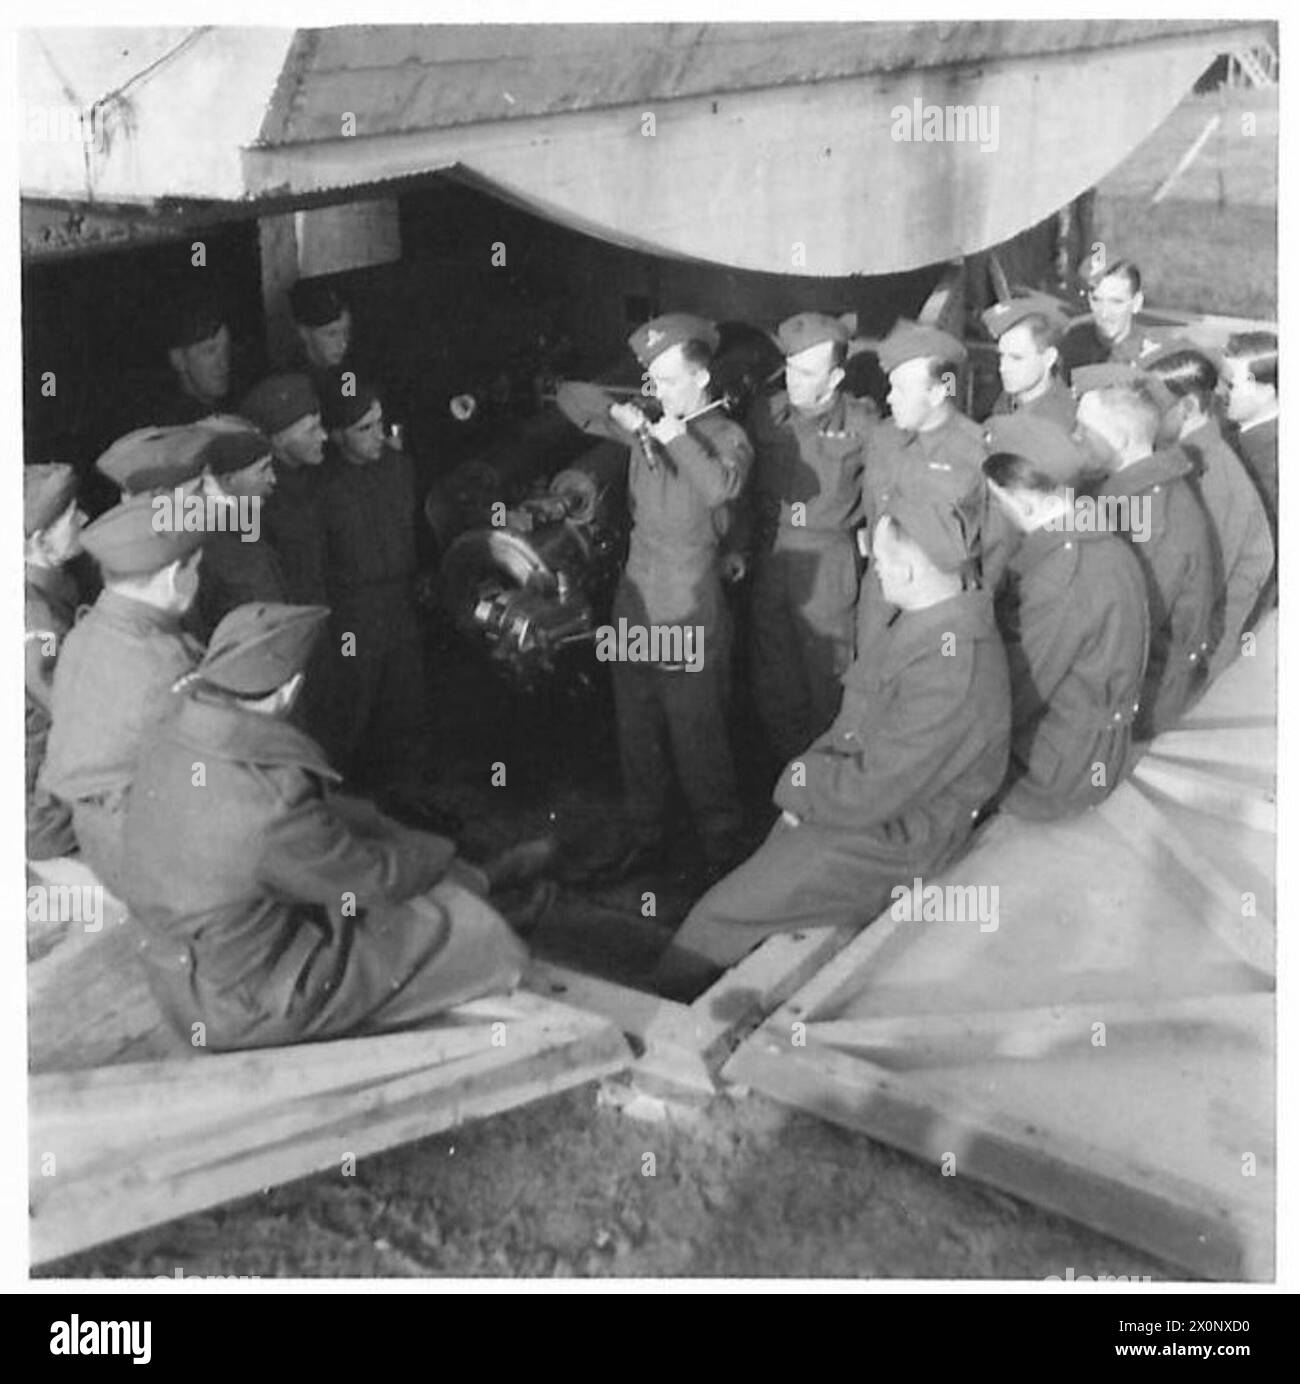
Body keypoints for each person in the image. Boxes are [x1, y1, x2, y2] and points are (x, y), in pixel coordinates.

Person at [121, 602, 534, 1052]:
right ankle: (489, 898)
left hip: (179, 979)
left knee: (362, 884)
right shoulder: (271, 807)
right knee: (459, 928)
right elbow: (375, 880)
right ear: (290, 689)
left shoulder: (171, 733)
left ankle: (484, 884)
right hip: (243, 1008)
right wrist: (439, 851)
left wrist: (371, 823)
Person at [653, 497, 1010, 999]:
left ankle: (661, 1020)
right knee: (756, 881)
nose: (875, 570)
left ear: (908, 571)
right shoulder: (933, 620)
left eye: (880, 560)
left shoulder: (950, 663)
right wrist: (803, 789)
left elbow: (876, 791)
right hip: (867, 807)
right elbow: (854, 728)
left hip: (899, 838)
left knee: (716, 916)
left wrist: (800, 793)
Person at [555, 313, 753, 881]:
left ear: (701, 377)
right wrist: (623, 411)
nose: (656, 391)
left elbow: (720, 487)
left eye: (667, 380)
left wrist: (674, 435)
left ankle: (720, 847)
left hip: (688, 601)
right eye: (651, 379)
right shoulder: (645, 421)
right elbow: (569, 397)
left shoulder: (725, 438)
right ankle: (646, 837)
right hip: (636, 597)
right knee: (637, 726)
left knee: (696, 732)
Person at [982, 413, 1149, 820]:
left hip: (1054, 770)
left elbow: (1017, 693)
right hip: (1085, 747)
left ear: (1024, 500)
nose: (993, 510)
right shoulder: (1096, 538)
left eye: (995, 500)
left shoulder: (1061, 580)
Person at [38, 494, 207, 894]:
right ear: (173, 576)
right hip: (151, 850)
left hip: (97, 834)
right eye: (195, 569)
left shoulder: (86, 630)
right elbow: (204, 778)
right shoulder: (166, 663)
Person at [747, 312, 876, 765]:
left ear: (836, 375)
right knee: (773, 674)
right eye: (790, 367)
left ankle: (828, 776)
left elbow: (879, 498)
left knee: (828, 674)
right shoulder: (765, 414)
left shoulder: (862, 424)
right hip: (772, 555)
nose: (794, 380)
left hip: (829, 561)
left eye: (807, 372)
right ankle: (787, 777)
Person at [1074, 366, 1215, 738]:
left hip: (1140, 704)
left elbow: (1131, 627)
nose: (1075, 438)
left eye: (1084, 430)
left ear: (1119, 438)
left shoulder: (1155, 521)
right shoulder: (1133, 489)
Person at [314, 380, 434, 800]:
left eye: (380, 424)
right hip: (352, 615)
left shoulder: (399, 469)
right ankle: (343, 814)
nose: (378, 436)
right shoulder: (322, 487)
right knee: (352, 712)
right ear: (335, 435)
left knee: (407, 706)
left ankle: (407, 803)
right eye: (364, 429)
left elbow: (417, 530)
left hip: (398, 605)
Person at [856, 319, 992, 647]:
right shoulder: (882, 439)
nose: (889, 398)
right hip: (879, 603)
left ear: (937, 392)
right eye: (890, 387)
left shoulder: (976, 452)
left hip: (939, 616)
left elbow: (994, 551)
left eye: (901, 389)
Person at [1143, 342, 1274, 680]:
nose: (1142, 414)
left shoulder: (1209, 477)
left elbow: (1196, 598)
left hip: (1190, 671)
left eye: (1151, 404)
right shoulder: (1185, 458)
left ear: (1186, 407)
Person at [24, 464, 84, 860]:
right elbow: (64, 705)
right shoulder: (37, 622)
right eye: (72, 516)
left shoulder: (52, 582)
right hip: (46, 808)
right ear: (40, 540)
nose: (84, 519)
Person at [186, 425, 289, 642]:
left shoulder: (243, 517)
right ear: (229, 480)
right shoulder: (207, 536)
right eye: (263, 469)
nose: (273, 479)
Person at [238, 373, 330, 604]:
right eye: (311, 430)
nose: (323, 436)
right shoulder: (258, 502)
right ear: (277, 440)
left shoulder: (320, 479)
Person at [1056, 259, 1166, 383]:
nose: (1104, 313)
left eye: (1116, 302)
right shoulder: (1073, 340)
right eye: (1097, 300)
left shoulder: (1152, 353)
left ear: (1136, 303)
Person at [980, 293, 1077, 430]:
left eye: (1016, 358)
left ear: (1049, 358)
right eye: (1002, 356)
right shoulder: (1011, 397)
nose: (1003, 367)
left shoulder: (1055, 423)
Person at [1220, 330, 1278, 543]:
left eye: (1233, 384)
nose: (1222, 390)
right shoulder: (1236, 434)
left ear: (1268, 390)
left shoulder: (1270, 459)